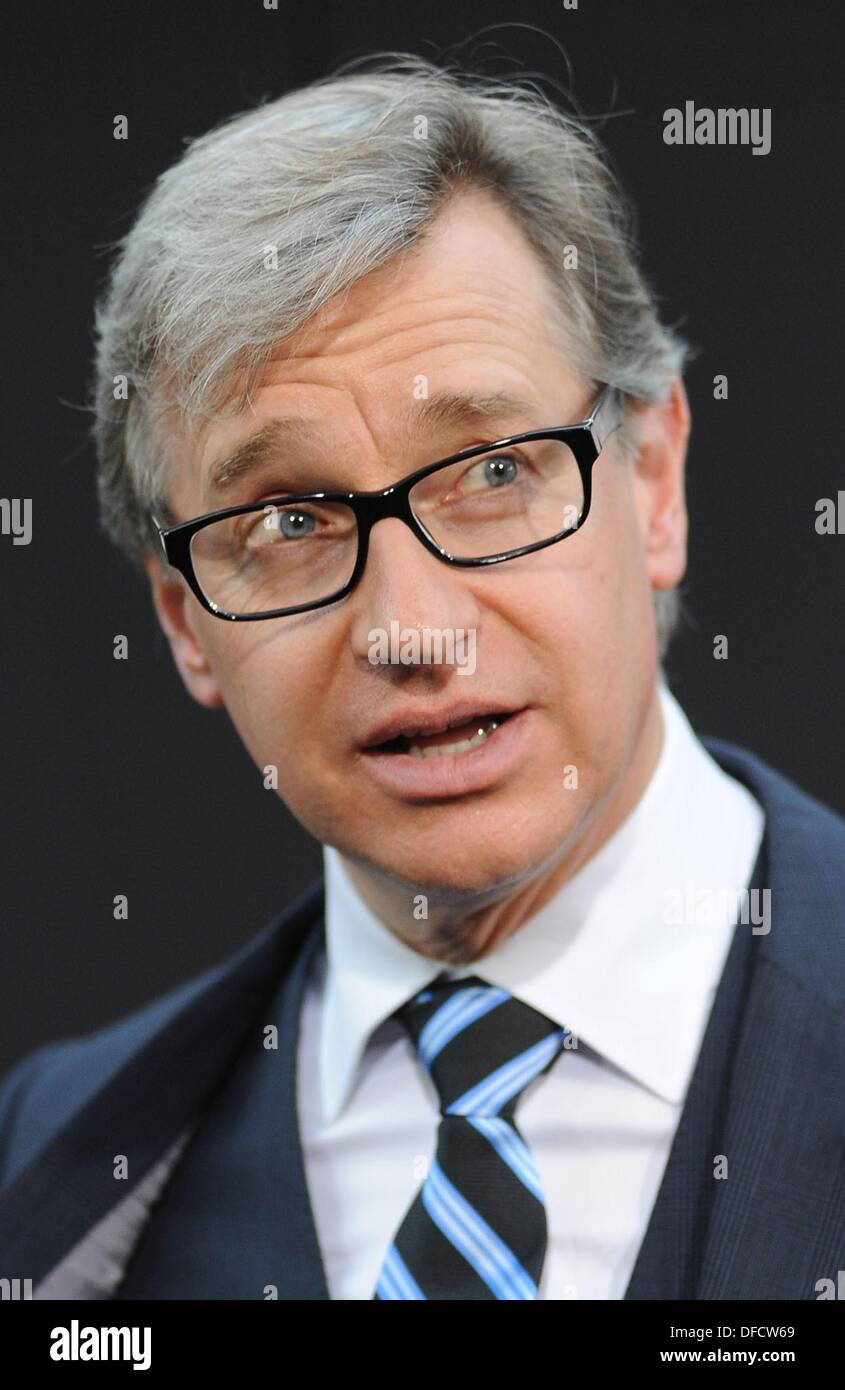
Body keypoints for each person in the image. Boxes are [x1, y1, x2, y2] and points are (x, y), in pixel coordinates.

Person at [1, 54, 842, 1302]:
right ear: (185, 623)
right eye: (287, 522)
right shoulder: (51, 1167)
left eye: (494, 470)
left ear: (654, 481)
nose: (411, 628)